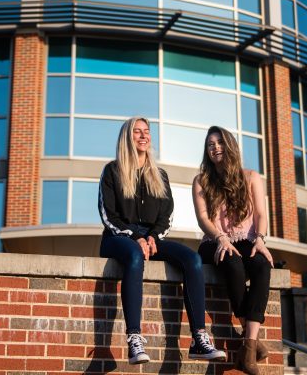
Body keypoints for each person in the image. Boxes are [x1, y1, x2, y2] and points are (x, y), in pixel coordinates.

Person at [98, 117, 226, 365]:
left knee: (192, 259)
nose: (143, 136)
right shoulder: (112, 171)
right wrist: (135, 238)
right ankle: (134, 339)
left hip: (151, 238)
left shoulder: (160, 175)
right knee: (135, 256)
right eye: (137, 132)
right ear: (127, 137)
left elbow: (166, 215)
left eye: (146, 132)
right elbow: (107, 215)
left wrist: (153, 237)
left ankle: (199, 337)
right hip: (117, 238)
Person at [192, 125, 273, 375]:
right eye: (210, 144)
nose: (215, 147)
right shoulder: (201, 181)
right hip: (213, 242)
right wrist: (221, 238)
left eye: (219, 142)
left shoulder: (251, 176)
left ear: (229, 146)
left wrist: (260, 239)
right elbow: (203, 218)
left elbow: (260, 213)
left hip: (247, 238)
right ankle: (252, 344)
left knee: (262, 265)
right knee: (233, 263)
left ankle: (247, 348)